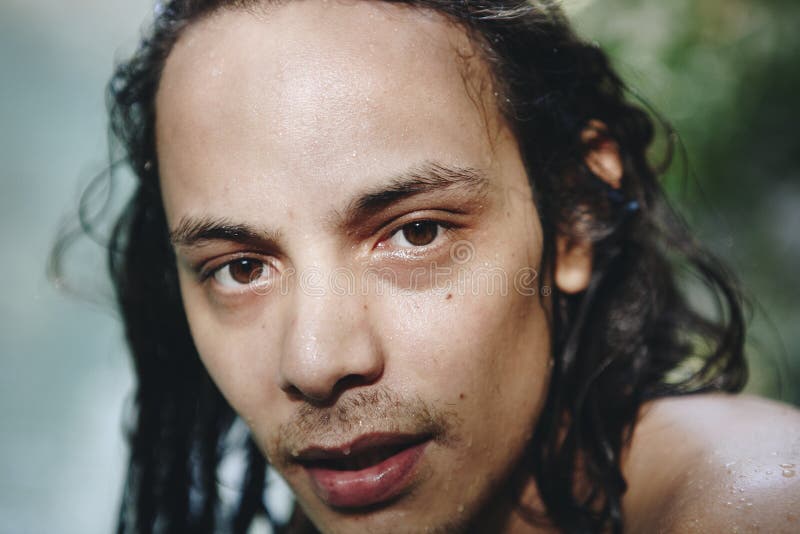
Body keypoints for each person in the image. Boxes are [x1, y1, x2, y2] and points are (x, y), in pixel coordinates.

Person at [95, 0, 800, 532]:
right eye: (242, 269)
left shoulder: (753, 499)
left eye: (416, 233)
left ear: (576, 214)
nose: (315, 361)